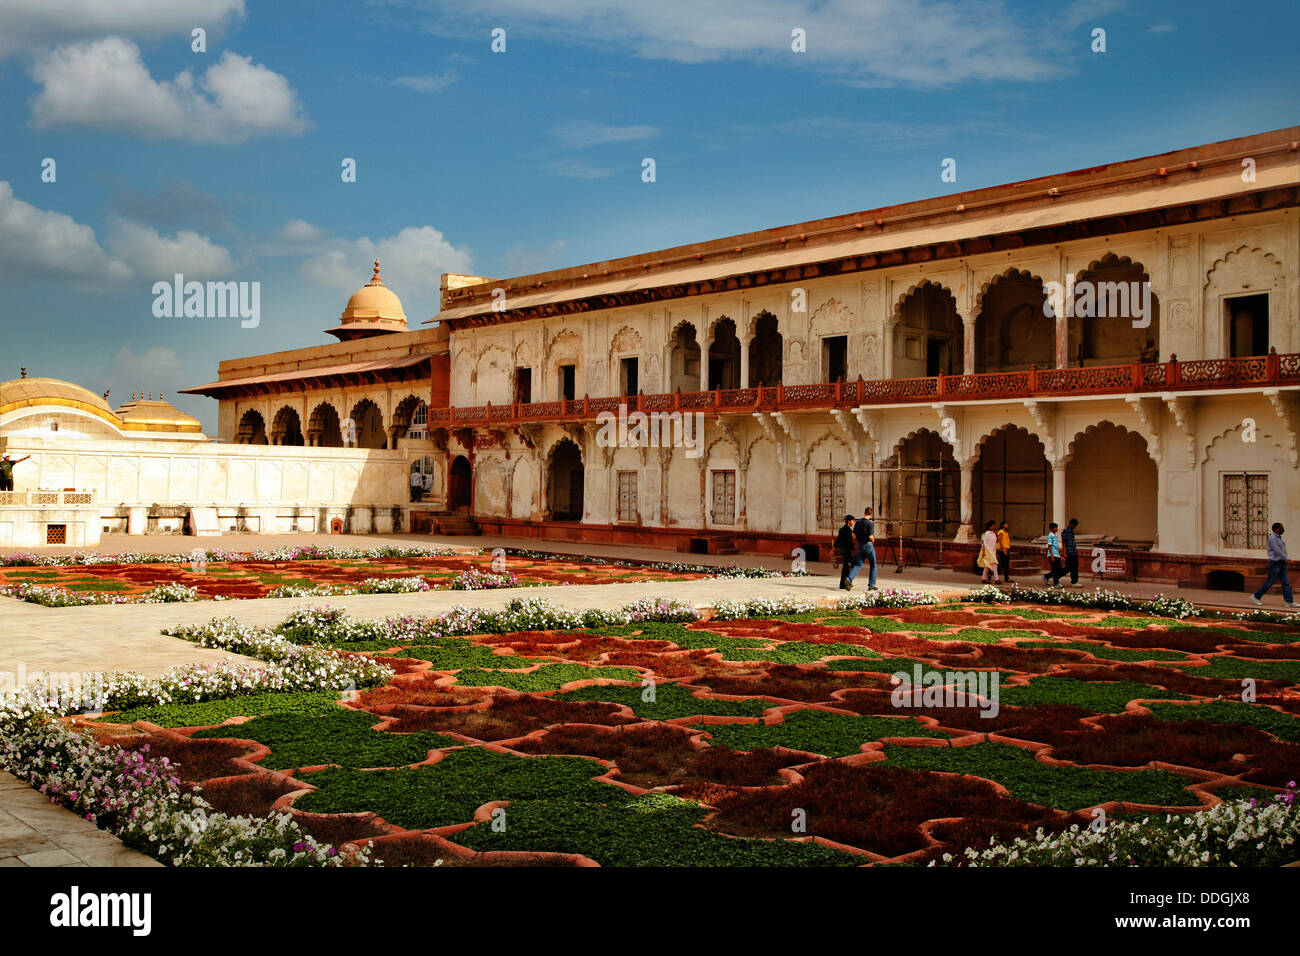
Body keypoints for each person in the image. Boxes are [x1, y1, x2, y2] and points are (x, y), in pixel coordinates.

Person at [1253, 522, 1296, 608]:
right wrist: (1287, 558)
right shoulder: (1272, 538)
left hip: (1281, 563)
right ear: (1276, 529)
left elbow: (1282, 550)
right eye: (1280, 528)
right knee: (1270, 582)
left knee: (1286, 582)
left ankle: (1289, 601)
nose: (1282, 530)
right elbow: (1277, 550)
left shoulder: (1279, 538)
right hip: (1274, 563)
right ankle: (1256, 596)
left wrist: (1285, 559)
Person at [848, 506, 877, 589]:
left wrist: (858, 539)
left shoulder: (858, 522)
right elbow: (871, 536)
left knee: (858, 564)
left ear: (864, 513)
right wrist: (873, 540)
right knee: (873, 565)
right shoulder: (869, 524)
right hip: (868, 545)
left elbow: (853, 535)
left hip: (860, 545)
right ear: (871, 514)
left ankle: (849, 578)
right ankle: (871, 585)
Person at [834, 514, 857, 590]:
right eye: (853, 521)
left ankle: (842, 584)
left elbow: (838, 540)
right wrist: (853, 550)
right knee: (849, 567)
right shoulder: (848, 530)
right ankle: (847, 583)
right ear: (849, 521)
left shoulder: (841, 529)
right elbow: (850, 542)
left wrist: (833, 549)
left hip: (843, 550)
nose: (853, 522)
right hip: (848, 551)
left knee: (845, 567)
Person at [1043, 522, 1064, 586]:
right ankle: (1056, 583)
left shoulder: (1055, 535)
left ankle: (1047, 576)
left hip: (1056, 554)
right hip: (1052, 555)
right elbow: (1049, 546)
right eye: (1055, 528)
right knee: (1055, 569)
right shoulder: (1050, 536)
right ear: (1052, 529)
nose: (1057, 529)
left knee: (1058, 569)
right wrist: (1052, 556)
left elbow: (1056, 546)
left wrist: (1059, 555)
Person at [1062, 518, 1081, 588]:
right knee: (1068, 568)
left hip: (1073, 552)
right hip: (1068, 552)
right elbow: (1064, 542)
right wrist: (1064, 553)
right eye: (1074, 525)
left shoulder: (1072, 531)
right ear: (1071, 524)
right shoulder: (1065, 531)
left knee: (1075, 567)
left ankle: (1074, 582)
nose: (1074, 527)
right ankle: (1052, 576)